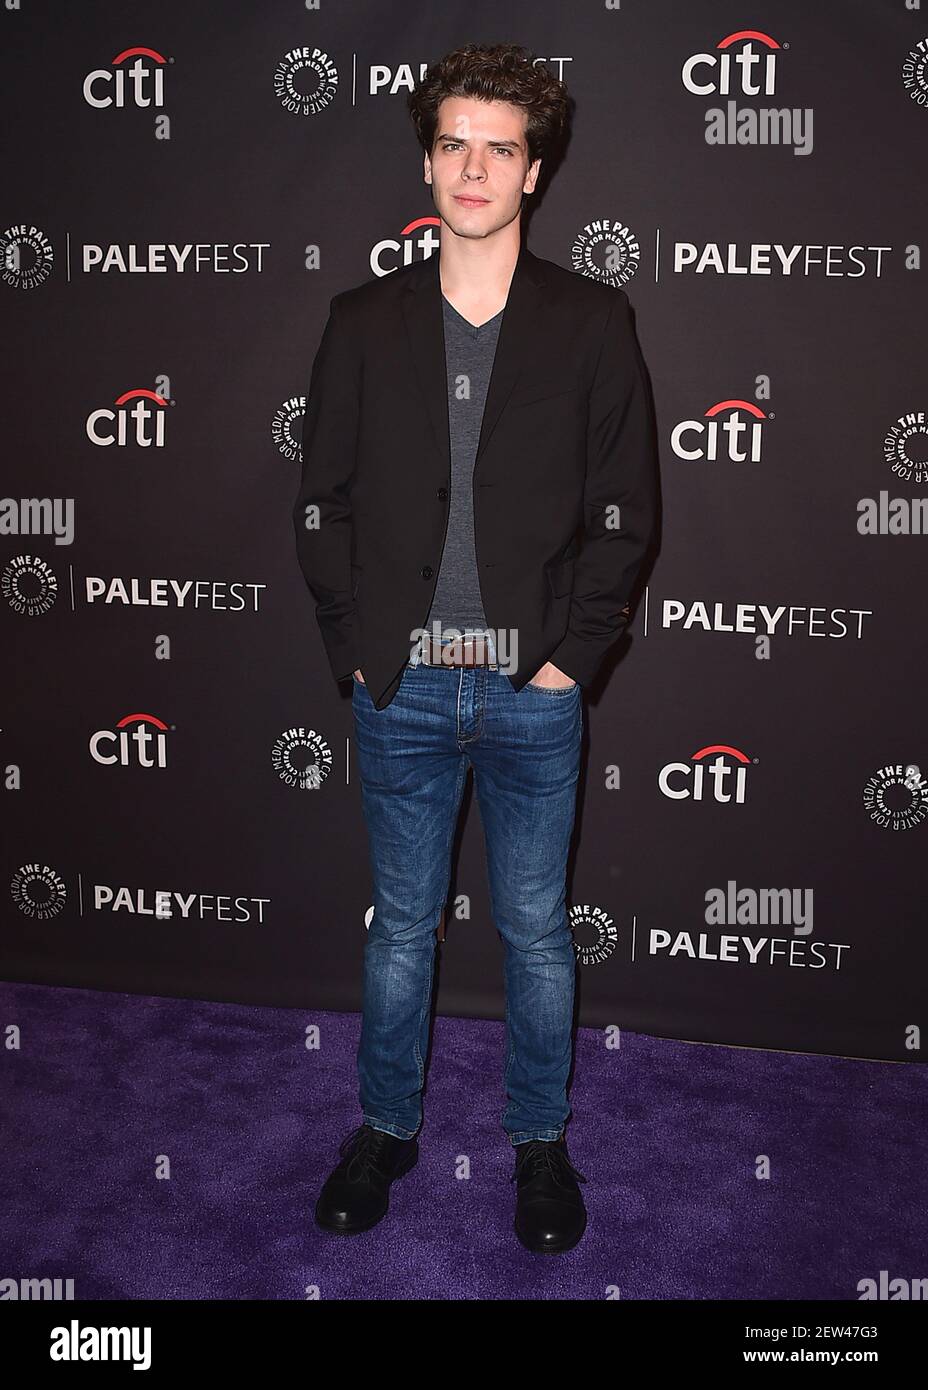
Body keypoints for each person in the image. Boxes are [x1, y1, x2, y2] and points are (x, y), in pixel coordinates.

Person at [292, 42, 658, 1254]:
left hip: (530, 690)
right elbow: (322, 500)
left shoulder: (594, 320)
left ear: (534, 171)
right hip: (395, 687)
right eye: (454, 142)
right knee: (400, 929)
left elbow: (625, 509)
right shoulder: (359, 320)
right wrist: (354, 646)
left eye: (500, 146)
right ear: (428, 158)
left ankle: (539, 1144)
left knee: (537, 931)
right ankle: (386, 1128)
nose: (474, 166)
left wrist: (569, 659)